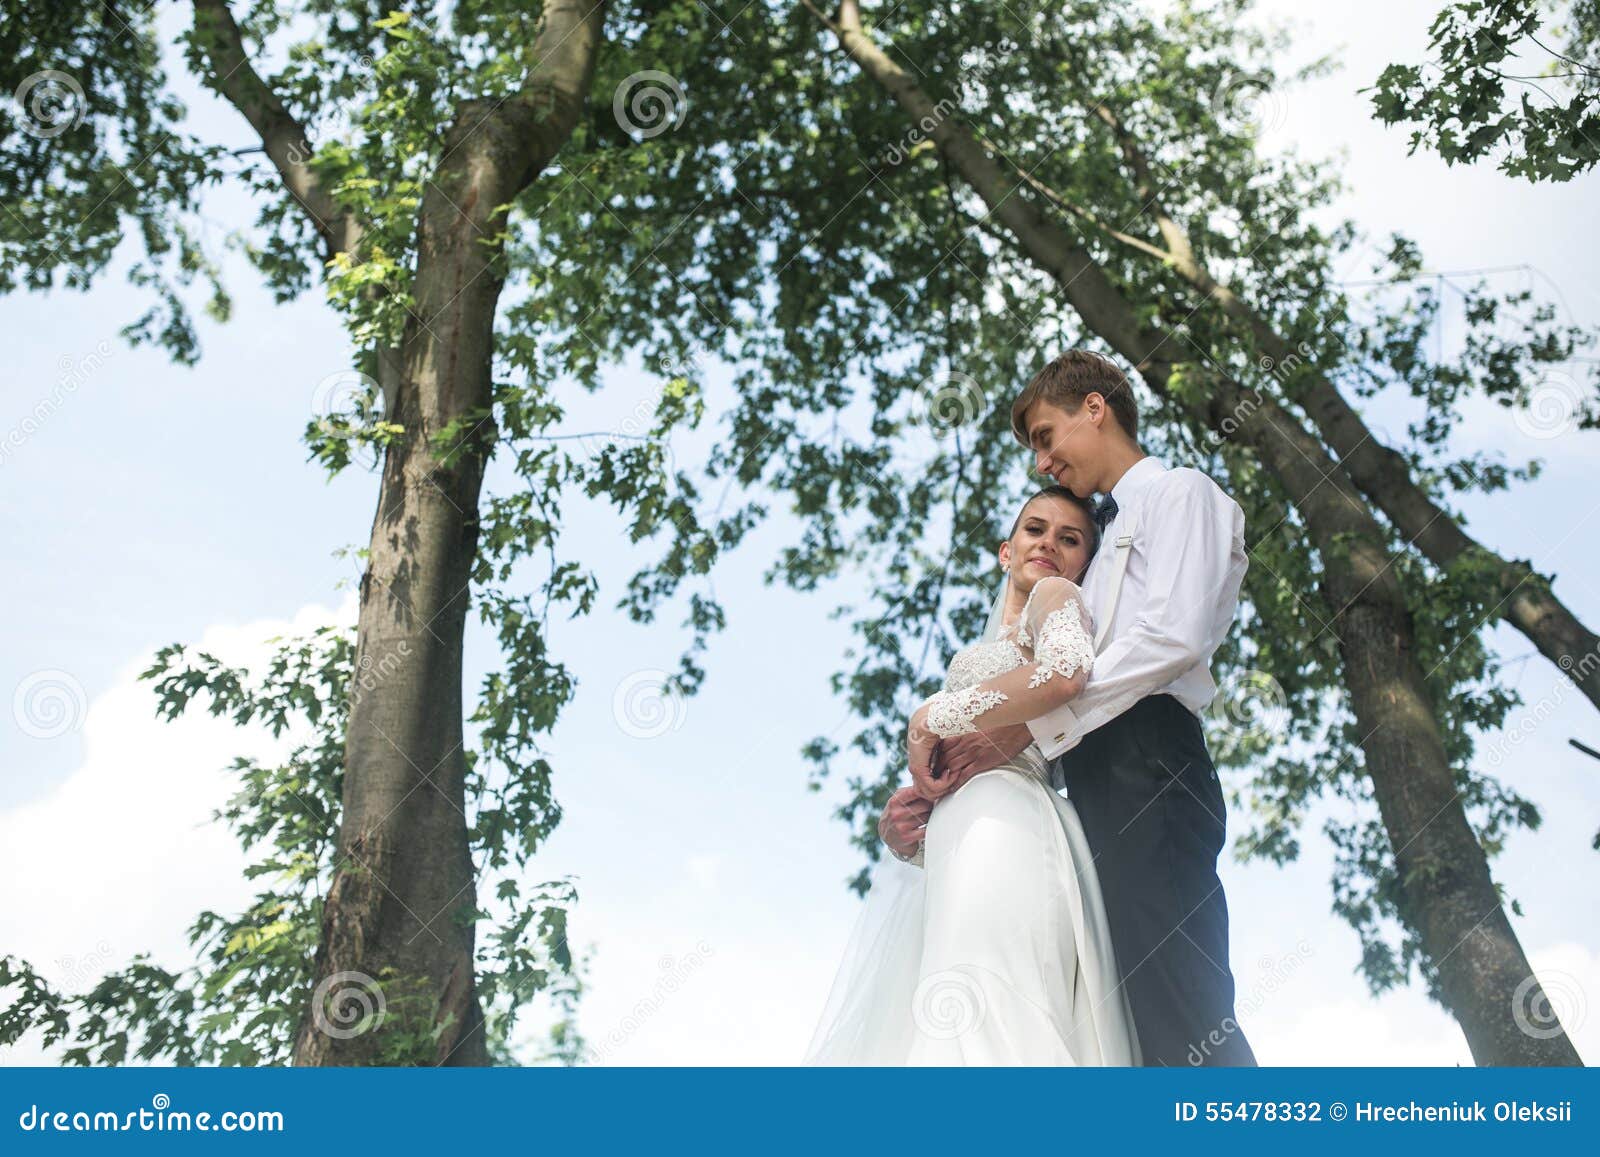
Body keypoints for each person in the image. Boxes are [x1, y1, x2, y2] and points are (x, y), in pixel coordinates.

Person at [883, 349, 1257, 1066]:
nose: (1042, 462)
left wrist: (1024, 722)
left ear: (1095, 407)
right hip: (1089, 780)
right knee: (1129, 1020)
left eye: (1046, 436)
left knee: (1182, 998)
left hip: (1153, 761)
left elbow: (1169, 638)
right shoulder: (1101, 539)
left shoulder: (1181, 494)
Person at [806, 486, 1139, 1065]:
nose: (1049, 545)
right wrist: (915, 826)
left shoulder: (1057, 596)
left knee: (988, 1001)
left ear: (1087, 562)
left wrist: (929, 717)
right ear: (1005, 551)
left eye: (1070, 538)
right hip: (967, 833)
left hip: (1010, 821)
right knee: (951, 996)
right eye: (1035, 530)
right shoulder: (994, 641)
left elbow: (1063, 674)